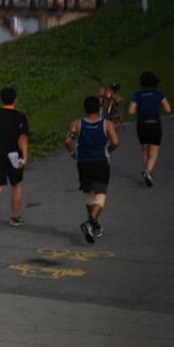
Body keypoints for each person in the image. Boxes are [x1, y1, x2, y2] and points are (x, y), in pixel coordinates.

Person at [64, 96, 120, 244]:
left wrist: (73, 153)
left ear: (85, 109)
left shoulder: (76, 124)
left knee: (89, 194)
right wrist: (108, 149)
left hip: (83, 162)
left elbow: (67, 140)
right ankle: (90, 222)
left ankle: (94, 227)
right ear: (99, 109)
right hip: (100, 161)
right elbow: (115, 141)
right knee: (101, 194)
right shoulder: (107, 124)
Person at [0, 87, 29, 232]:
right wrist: (25, 156)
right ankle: (14, 217)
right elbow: (22, 138)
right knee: (16, 184)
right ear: (15, 99)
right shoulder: (20, 117)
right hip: (14, 156)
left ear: (1, 99)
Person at [128, 72, 171, 187]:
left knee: (145, 150)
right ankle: (147, 172)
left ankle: (147, 172)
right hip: (155, 125)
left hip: (141, 126)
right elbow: (168, 109)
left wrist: (140, 112)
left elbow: (131, 111)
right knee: (154, 152)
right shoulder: (159, 94)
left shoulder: (138, 95)